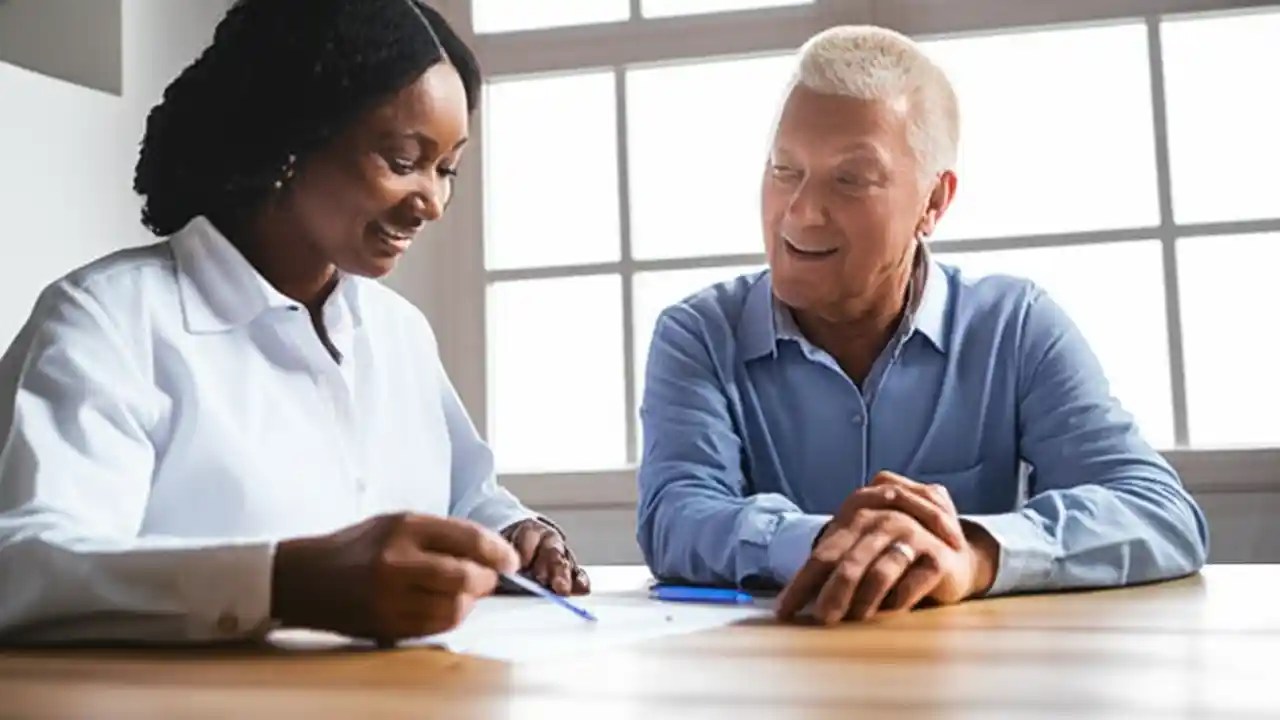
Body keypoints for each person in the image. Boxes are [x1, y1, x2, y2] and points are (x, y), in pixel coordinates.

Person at [0, 0, 588, 645]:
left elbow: (465, 497)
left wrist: (515, 534)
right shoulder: (108, 321)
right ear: (289, 138)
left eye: (446, 168)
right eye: (402, 160)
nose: (433, 203)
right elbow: (27, 565)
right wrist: (285, 582)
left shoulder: (398, 332)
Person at [636, 25, 1208, 626]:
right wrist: (836, 542)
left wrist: (975, 553)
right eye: (785, 170)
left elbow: (1160, 511)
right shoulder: (697, 335)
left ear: (934, 202)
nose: (801, 211)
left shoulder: (1016, 327)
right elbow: (676, 515)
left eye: (850, 179)